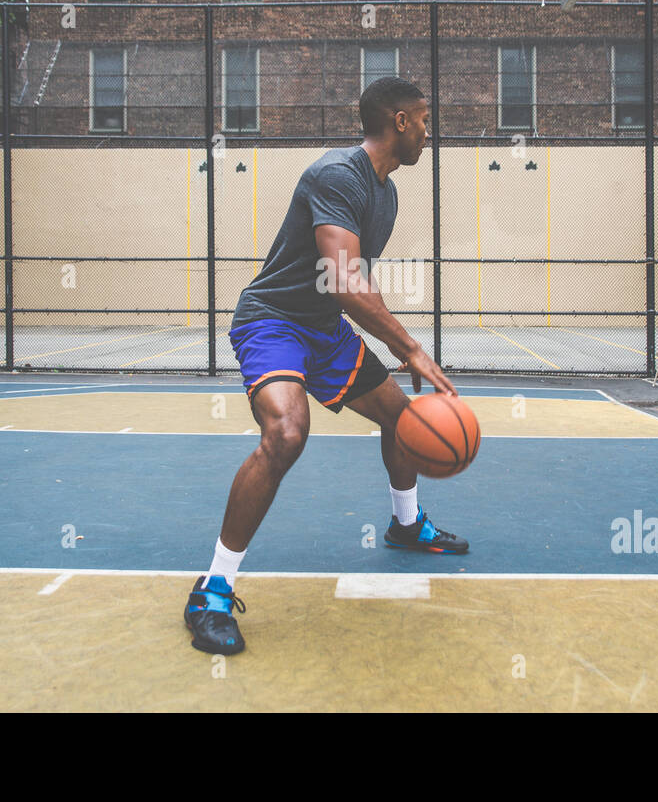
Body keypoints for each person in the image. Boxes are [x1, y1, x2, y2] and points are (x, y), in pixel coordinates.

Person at [184, 76, 467, 655]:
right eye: (424, 120)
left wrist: (385, 337)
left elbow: (350, 283)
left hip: (324, 333)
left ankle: (406, 525)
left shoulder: (385, 194)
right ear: (400, 120)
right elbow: (343, 279)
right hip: (274, 322)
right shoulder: (337, 175)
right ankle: (212, 589)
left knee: (404, 421)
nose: (429, 133)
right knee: (286, 433)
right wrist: (409, 346)